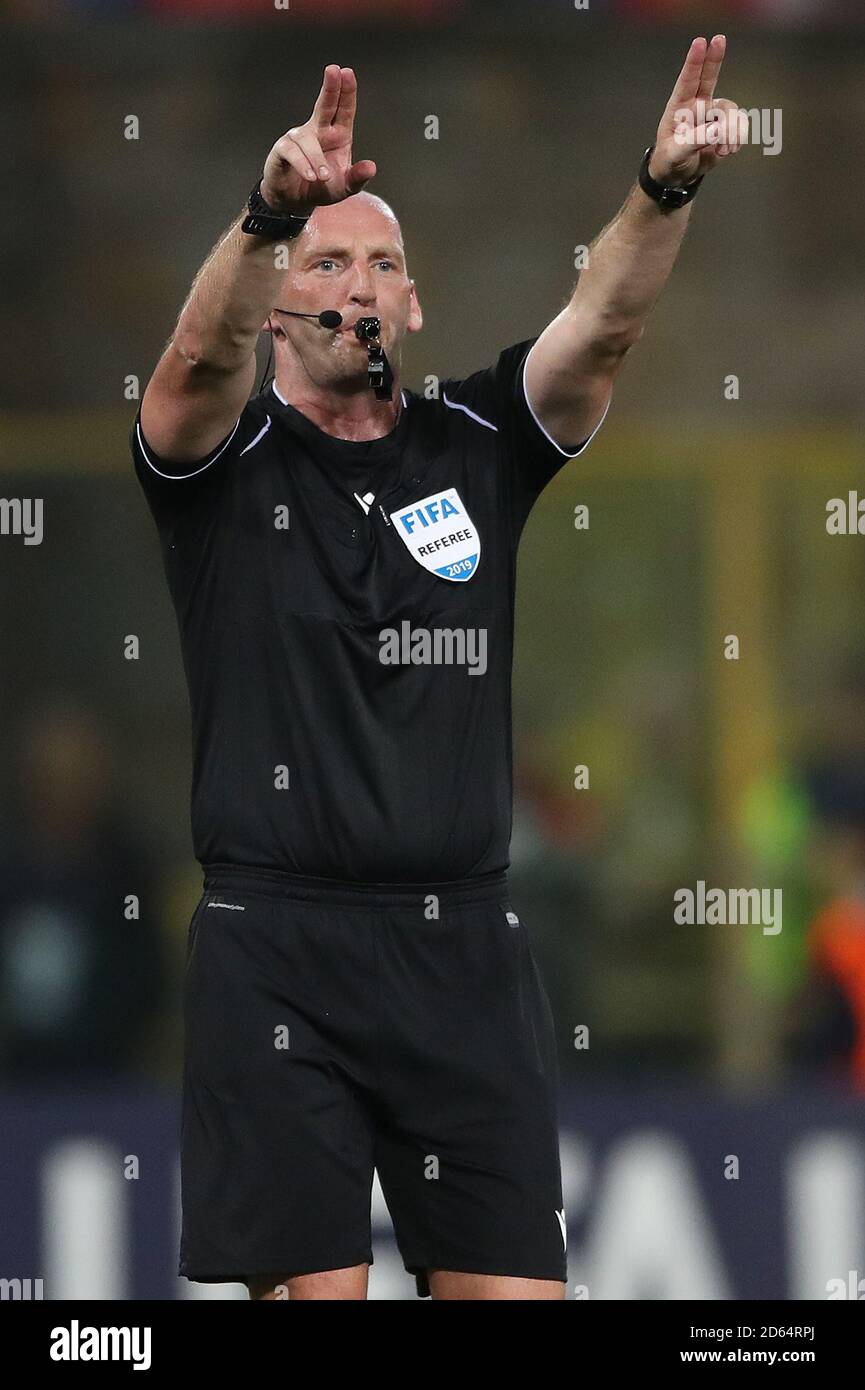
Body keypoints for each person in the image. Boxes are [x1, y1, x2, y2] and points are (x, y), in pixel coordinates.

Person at [130, 46, 745, 1300]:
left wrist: (663, 189)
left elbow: (604, 327)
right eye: (327, 259)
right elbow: (195, 363)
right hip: (276, 943)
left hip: (461, 945)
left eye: (385, 262)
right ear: (281, 305)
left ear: (414, 303)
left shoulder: (478, 442)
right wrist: (265, 217)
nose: (360, 281)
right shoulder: (217, 466)